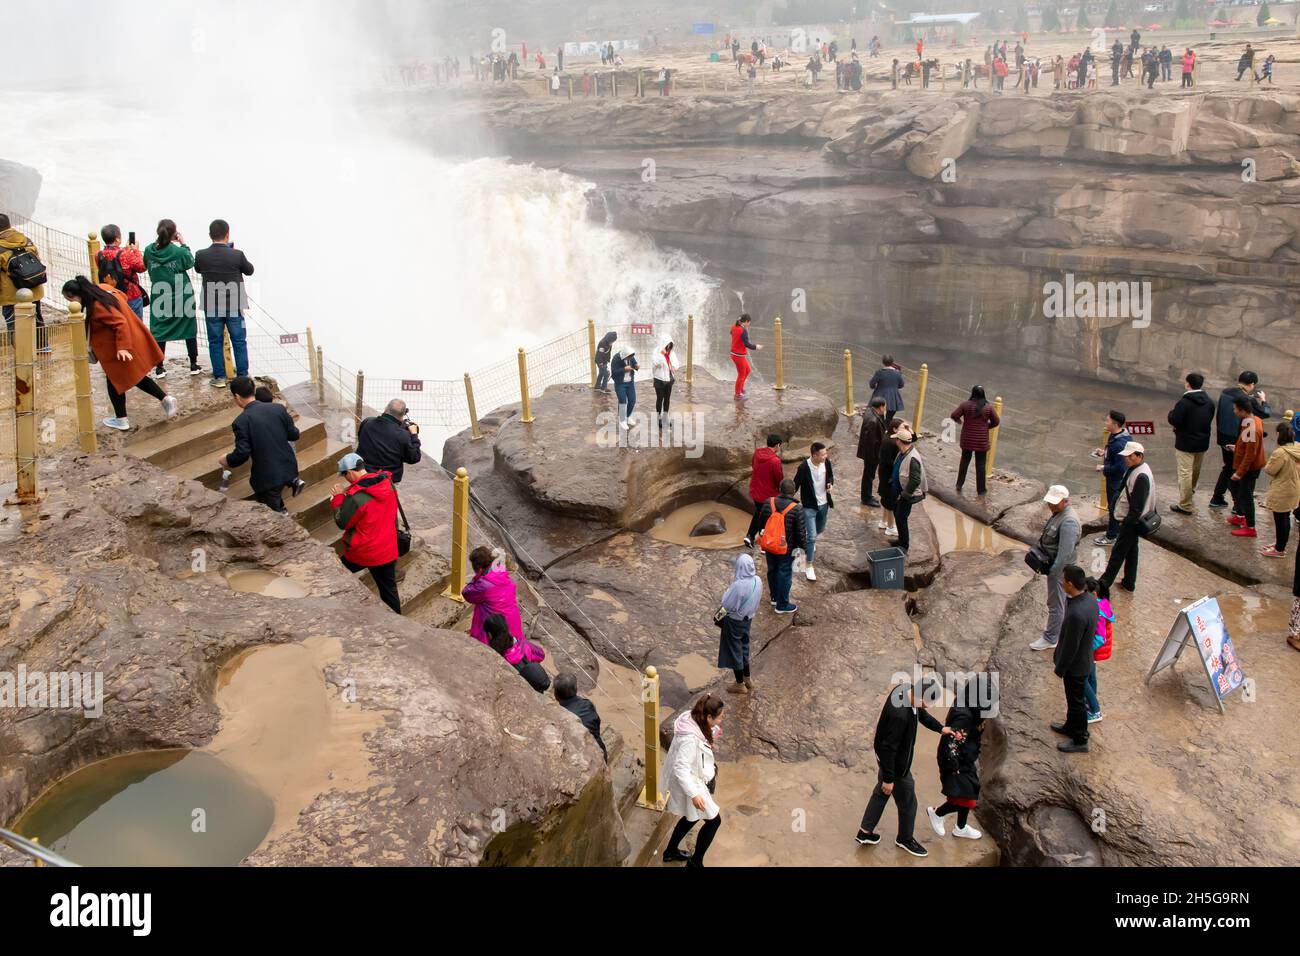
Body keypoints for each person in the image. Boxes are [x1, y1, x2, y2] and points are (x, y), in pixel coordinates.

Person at [60, 276, 176, 431]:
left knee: (116, 381)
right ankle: (164, 399)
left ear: (78, 295)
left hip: (118, 346)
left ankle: (122, 419)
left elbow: (119, 323)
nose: (71, 303)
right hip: (131, 337)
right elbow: (123, 296)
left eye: (70, 299)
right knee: (133, 376)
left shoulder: (97, 305)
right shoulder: (103, 289)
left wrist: (122, 347)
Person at [856, 677, 952, 858]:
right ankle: (905, 839)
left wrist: (940, 728)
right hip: (895, 765)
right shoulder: (899, 715)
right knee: (909, 801)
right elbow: (888, 748)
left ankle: (865, 832)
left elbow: (920, 713)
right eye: (926, 703)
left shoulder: (905, 689)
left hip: (886, 759)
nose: (927, 707)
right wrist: (889, 778)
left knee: (882, 792)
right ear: (918, 694)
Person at [219, 376, 303, 512]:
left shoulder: (241, 422)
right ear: (253, 390)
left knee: (273, 512)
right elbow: (294, 435)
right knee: (276, 497)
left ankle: (281, 515)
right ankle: (286, 497)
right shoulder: (278, 409)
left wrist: (227, 459)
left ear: (237, 397)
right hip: (289, 466)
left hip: (268, 477)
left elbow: (242, 454)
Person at [330, 452, 401, 614]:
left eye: (344, 475)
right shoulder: (387, 483)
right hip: (388, 548)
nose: (345, 479)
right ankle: (398, 624)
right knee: (389, 592)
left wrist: (338, 499)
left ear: (350, 472)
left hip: (366, 551)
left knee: (338, 572)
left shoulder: (357, 497)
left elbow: (343, 522)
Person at [662, 695, 724, 867]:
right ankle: (696, 863)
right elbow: (681, 768)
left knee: (692, 817)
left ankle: (670, 852)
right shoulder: (690, 739)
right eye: (719, 716)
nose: (721, 719)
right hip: (691, 782)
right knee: (714, 821)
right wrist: (695, 794)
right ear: (709, 717)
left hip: (692, 778)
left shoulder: (693, 718)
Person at [193, 219, 253, 389]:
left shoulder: (201, 255)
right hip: (234, 304)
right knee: (239, 341)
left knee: (215, 341)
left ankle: (219, 377)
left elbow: (198, 268)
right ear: (228, 234)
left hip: (211, 304)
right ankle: (242, 377)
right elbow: (250, 270)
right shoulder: (237, 255)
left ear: (210, 235)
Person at [143, 219, 200, 378]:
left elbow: (146, 264)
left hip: (160, 295)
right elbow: (190, 261)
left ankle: (160, 367)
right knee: (188, 327)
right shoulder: (179, 252)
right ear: (174, 234)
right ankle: (194, 365)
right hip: (182, 294)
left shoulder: (148, 250)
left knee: (160, 329)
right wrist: (183, 243)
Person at [925, 697, 988, 841]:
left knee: (969, 791)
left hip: (966, 758)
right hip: (955, 762)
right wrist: (954, 766)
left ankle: (961, 827)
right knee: (966, 799)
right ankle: (937, 813)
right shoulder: (963, 717)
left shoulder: (973, 711)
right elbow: (950, 744)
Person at [1051, 565, 1098, 754]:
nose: (1061, 582)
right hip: (1085, 660)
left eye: (1063, 580)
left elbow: (1071, 647)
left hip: (1076, 666)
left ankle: (1080, 738)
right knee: (1073, 700)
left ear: (1070, 584)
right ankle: (1070, 726)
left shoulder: (1076, 614)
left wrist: (1060, 668)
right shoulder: (1089, 600)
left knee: (1077, 702)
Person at [1030, 485, 1082, 651]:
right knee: (1060, 603)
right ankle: (1061, 630)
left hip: (1060, 570)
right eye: (1049, 502)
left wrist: (1055, 572)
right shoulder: (1058, 514)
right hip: (1055, 565)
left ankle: (1051, 638)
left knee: (1056, 604)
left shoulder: (1069, 522)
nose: (1050, 505)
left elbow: (1065, 553)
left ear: (1065, 501)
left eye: (1054, 502)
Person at [1210, 371, 1271, 510]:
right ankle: (1238, 506)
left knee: (1227, 468)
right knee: (1238, 471)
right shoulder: (1246, 400)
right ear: (1252, 384)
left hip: (1223, 436)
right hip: (1238, 441)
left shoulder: (1225, 392)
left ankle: (1217, 498)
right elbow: (1265, 413)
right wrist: (1263, 400)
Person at [1100, 442, 1155, 593]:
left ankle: (1104, 584)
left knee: (1118, 553)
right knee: (1131, 551)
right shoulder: (1136, 469)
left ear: (1139, 456)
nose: (1127, 459)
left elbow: (1137, 507)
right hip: (1131, 520)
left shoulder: (1141, 475)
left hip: (1132, 522)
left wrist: (1127, 523)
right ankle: (1129, 582)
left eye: (1130, 456)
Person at [755, 477, 806, 615]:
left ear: (779, 490)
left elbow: (761, 523)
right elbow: (801, 533)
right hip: (786, 549)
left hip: (770, 546)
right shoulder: (797, 508)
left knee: (772, 570)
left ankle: (774, 597)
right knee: (784, 573)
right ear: (794, 492)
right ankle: (782, 604)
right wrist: (803, 550)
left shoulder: (768, 502)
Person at [1167, 372, 1215, 515]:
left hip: (1185, 443)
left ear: (1188, 383)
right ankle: (1190, 494)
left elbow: (1175, 420)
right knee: (1195, 471)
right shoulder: (1210, 402)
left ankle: (1185, 505)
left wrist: (1171, 413)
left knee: (1185, 473)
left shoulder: (1184, 402)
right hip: (1202, 442)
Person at [0, 213, 48, 349]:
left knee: (13, 322)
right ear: (9, 225)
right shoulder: (26, 240)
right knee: (37, 318)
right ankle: (43, 348)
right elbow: (37, 259)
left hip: (11, 295)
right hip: (33, 288)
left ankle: (22, 354)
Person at [717, 553, 763, 694]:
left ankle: (739, 684)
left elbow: (726, 604)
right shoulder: (758, 580)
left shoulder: (738, 586)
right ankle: (747, 678)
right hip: (747, 620)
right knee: (744, 648)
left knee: (734, 650)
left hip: (734, 621)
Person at [463, 545, 524, 645]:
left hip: (496, 633)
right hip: (514, 627)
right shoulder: (502, 573)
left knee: (480, 606)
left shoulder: (483, 584)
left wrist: (477, 578)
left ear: (478, 568)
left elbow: (466, 593)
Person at [1227, 395, 1267, 538]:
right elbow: (1247, 446)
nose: (1234, 411)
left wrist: (1239, 473)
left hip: (1249, 469)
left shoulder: (1251, 427)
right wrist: (1237, 448)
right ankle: (1240, 515)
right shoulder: (1252, 420)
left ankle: (1250, 526)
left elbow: (1250, 455)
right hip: (1246, 465)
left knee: (1246, 495)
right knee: (1233, 486)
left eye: (1235, 409)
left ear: (1243, 410)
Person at [793, 442, 834, 582]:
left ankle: (810, 540)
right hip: (809, 506)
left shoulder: (826, 462)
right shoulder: (804, 467)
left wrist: (830, 483)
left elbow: (830, 476)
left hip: (824, 504)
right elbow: (795, 484)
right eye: (822, 454)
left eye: (825, 453)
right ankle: (808, 565)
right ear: (814, 455)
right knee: (811, 537)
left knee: (820, 529)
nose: (825, 456)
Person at [357, 399, 421, 484]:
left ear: (386, 408)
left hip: (363, 475)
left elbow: (361, 439)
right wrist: (414, 435)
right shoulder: (402, 435)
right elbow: (414, 458)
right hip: (388, 482)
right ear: (403, 415)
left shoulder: (367, 423)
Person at [950, 385, 1000, 496]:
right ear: (983, 394)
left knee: (964, 461)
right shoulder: (989, 407)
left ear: (972, 393)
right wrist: (987, 426)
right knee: (981, 465)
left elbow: (954, 415)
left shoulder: (965, 405)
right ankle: (981, 490)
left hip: (967, 439)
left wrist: (960, 421)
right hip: (981, 441)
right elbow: (996, 421)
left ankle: (959, 484)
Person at [1261, 423, 1300, 558]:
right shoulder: (1297, 447)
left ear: (1279, 434)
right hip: (1294, 488)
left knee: (1280, 520)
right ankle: (1280, 544)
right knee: (1286, 518)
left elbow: (1270, 470)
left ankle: (1279, 549)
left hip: (1282, 489)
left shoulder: (1280, 452)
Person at [1093, 410, 1131, 547]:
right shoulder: (1116, 436)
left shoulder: (1119, 443)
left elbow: (1120, 467)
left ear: (1115, 424)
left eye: (1107, 421)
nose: (1105, 423)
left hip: (1116, 480)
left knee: (1113, 507)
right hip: (1114, 478)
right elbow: (1114, 454)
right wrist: (1104, 453)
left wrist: (1103, 468)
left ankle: (1111, 536)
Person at [485, 612, 549, 693]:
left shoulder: (494, 657)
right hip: (535, 683)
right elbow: (541, 655)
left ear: (490, 635)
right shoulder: (523, 645)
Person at [95, 224, 147, 320]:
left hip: (111, 295)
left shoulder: (98, 255)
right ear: (117, 240)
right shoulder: (125, 254)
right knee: (135, 325)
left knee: (119, 323)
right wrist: (136, 251)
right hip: (130, 295)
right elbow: (142, 267)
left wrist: (126, 249)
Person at [554, 672, 607, 760]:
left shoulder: (560, 715)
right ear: (576, 689)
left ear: (556, 695)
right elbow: (597, 722)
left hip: (584, 756)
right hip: (600, 749)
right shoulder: (587, 704)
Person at [744, 434, 785, 547]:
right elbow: (779, 479)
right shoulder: (775, 461)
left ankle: (750, 536)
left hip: (755, 490)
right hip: (768, 494)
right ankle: (760, 538)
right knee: (766, 516)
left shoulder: (757, 453)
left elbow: (753, 466)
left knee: (759, 513)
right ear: (777, 445)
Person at [890, 425, 926, 553]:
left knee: (901, 517)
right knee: (897, 514)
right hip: (899, 490)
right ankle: (900, 539)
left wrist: (905, 495)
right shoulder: (904, 451)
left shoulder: (912, 458)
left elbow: (915, 480)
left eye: (897, 439)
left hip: (906, 495)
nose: (895, 441)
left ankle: (904, 545)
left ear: (900, 441)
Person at [1084, 578, 1113, 723]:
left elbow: (1100, 638)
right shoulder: (1104, 604)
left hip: (1093, 650)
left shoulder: (1098, 612)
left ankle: (1095, 710)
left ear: (1094, 594)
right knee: (1090, 677)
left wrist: (1086, 649)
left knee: (1082, 679)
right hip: (1095, 652)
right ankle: (1091, 701)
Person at [857, 397, 891, 506]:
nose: (885, 408)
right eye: (885, 406)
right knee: (869, 475)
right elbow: (872, 442)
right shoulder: (873, 421)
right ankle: (866, 498)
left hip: (870, 452)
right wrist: (876, 456)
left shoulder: (870, 412)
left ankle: (867, 495)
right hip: (871, 454)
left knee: (868, 475)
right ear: (881, 407)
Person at [877, 417, 902, 538]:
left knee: (886, 500)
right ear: (894, 429)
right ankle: (891, 527)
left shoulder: (887, 439)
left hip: (884, 474)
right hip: (889, 477)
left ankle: (884, 521)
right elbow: (890, 461)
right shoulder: (892, 443)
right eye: (901, 428)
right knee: (891, 502)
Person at [729, 314, 762, 400]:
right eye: (749, 322)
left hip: (735, 354)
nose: (749, 324)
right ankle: (737, 394)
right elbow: (747, 344)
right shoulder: (743, 330)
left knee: (747, 370)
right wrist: (756, 347)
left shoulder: (734, 327)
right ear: (746, 322)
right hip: (738, 356)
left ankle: (740, 389)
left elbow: (732, 334)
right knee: (741, 374)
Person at [611, 345, 639, 429]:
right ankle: (622, 420)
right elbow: (614, 373)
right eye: (628, 357)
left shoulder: (631, 357)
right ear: (624, 355)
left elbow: (634, 364)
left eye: (631, 357)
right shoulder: (616, 359)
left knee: (632, 401)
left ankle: (628, 416)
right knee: (623, 401)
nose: (630, 358)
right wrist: (623, 369)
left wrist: (637, 366)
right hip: (620, 384)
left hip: (630, 383)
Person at [651, 337, 676, 431]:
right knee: (660, 398)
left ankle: (665, 416)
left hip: (669, 379)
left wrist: (674, 366)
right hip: (659, 379)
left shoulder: (671, 353)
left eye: (670, 345)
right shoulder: (656, 352)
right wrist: (662, 355)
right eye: (667, 345)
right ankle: (658, 418)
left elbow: (675, 362)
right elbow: (656, 364)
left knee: (667, 399)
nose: (668, 348)